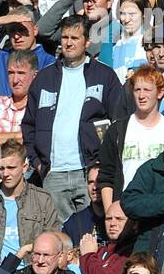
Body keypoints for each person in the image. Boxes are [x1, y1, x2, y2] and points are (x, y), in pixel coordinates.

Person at [22, 15, 126, 222]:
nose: (68, 43)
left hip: (89, 172)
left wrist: (103, 163)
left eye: (75, 38)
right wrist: (38, 163)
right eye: (65, 37)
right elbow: (28, 124)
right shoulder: (44, 77)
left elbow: (120, 122)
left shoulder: (105, 76)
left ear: (87, 42)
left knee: (94, 230)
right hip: (53, 173)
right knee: (58, 237)